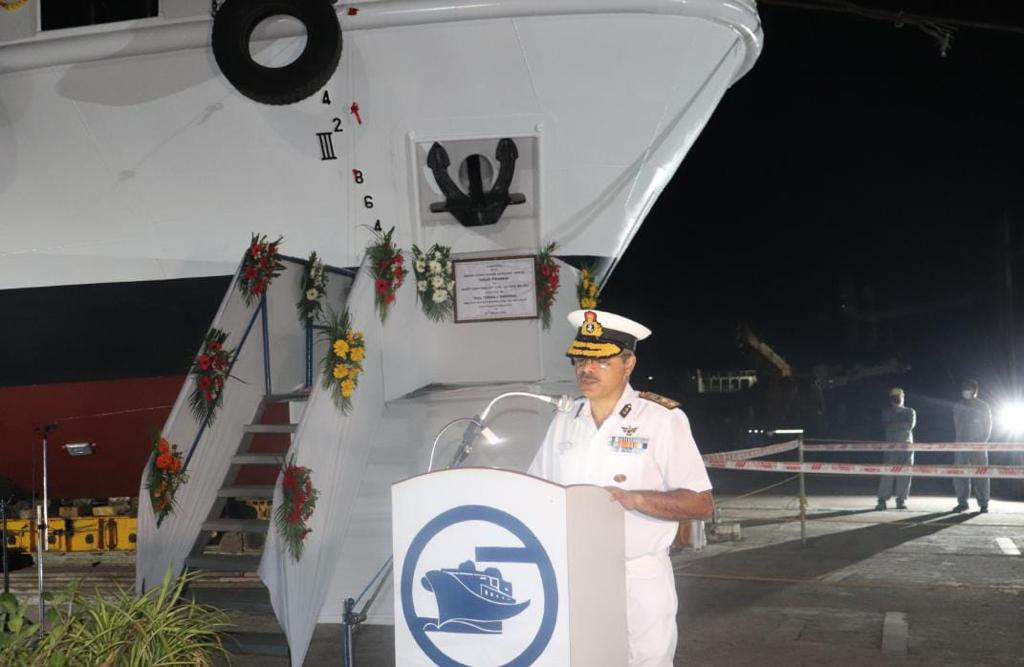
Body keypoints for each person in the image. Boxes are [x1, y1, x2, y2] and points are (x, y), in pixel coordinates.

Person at [529, 309, 714, 667]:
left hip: (637, 577)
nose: (586, 369)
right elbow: (536, 490)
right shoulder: (565, 419)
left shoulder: (661, 419)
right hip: (575, 575)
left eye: (600, 360)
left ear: (628, 363)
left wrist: (637, 499)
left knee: (646, 660)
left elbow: (701, 504)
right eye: (580, 359)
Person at [952, 379, 992, 513]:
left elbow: (988, 426)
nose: (965, 391)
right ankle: (962, 503)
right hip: (961, 445)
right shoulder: (958, 406)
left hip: (978, 445)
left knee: (981, 474)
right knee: (960, 475)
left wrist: (982, 442)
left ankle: (983, 503)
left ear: (975, 391)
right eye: (964, 388)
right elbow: (957, 425)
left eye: (968, 388)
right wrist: (959, 443)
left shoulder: (983, 406)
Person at [875, 387, 916, 510]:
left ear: (903, 397)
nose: (897, 399)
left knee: (905, 474)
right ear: (891, 399)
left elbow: (909, 426)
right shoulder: (886, 411)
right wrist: (901, 423)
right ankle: (882, 500)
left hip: (906, 447)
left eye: (898, 397)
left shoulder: (910, 411)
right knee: (887, 474)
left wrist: (896, 424)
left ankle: (901, 500)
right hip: (891, 447)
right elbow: (888, 425)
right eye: (894, 397)